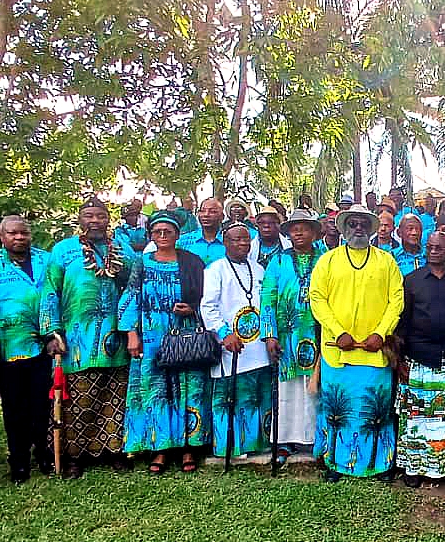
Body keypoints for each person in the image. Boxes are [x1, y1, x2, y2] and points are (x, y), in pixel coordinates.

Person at [309, 204, 404, 482]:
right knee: (337, 408)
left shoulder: (386, 261)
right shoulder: (327, 261)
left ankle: (379, 464)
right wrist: (338, 332)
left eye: (363, 223)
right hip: (338, 352)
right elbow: (317, 299)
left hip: (375, 353)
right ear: (344, 228)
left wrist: (381, 332)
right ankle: (334, 463)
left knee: (375, 409)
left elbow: (396, 300)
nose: (358, 228)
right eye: (353, 224)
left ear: (371, 229)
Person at [40, 198, 133, 478]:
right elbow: (49, 292)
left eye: (100, 216)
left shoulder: (122, 250)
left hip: (114, 338)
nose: (95, 221)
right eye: (89, 216)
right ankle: (73, 456)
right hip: (76, 341)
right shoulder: (64, 251)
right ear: (80, 219)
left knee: (115, 396)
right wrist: (52, 332)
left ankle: (113, 451)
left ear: (108, 219)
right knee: (79, 398)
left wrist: (132, 331)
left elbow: (134, 287)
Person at [118, 211, 209, 474]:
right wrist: (131, 333)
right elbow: (131, 296)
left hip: (186, 335)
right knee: (155, 390)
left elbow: (207, 296)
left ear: (177, 235)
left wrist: (192, 309)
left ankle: (188, 447)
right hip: (151, 337)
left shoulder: (192, 262)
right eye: (157, 232)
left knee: (188, 388)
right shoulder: (142, 263)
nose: (162, 236)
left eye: (167, 232)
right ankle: (159, 448)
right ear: (151, 236)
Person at [0, 216, 52, 484]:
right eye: (13, 233)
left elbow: (55, 298)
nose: (19, 238)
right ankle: (19, 461)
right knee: (15, 408)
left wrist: (54, 335)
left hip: (43, 346)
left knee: (43, 404)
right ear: (2, 236)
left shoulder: (46, 260)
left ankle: (45, 454)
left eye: (24, 233)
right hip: (7, 349)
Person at [395, 232, 445, 487]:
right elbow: (402, 324)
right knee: (417, 418)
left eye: (440, 247)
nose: (434, 250)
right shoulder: (412, 281)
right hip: (418, 358)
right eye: (430, 246)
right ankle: (413, 468)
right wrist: (400, 359)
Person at [202, 222, 274, 461]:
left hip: (258, 348)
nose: (243, 244)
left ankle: (256, 443)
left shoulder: (259, 269)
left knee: (256, 396)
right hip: (231, 347)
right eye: (236, 239)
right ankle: (230, 447)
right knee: (229, 398)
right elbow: (208, 307)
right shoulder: (215, 270)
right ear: (226, 242)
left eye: (246, 239)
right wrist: (224, 334)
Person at [260, 209, 322, 464]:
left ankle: (316, 439)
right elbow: (267, 297)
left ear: (314, 232)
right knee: (287, 389)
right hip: (286, 335)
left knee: (315, 386)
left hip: (318, 333)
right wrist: (269, 334)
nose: (298, 232)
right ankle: (285, 441)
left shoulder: (326, 259)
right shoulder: (278, 261)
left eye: (304, 228)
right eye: (294, 228)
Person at [175, 198, 226, 266]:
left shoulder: (230, 242)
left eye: (212, 211)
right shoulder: (183, 241)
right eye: (202, 211)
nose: (206, 214)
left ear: (222, 217)